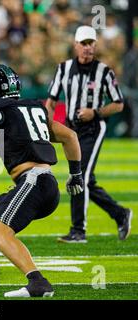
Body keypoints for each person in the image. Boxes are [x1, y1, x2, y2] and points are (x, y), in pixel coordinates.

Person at [0, 64, 83, 298]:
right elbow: (70, 136)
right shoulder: (33, 108)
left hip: (33, 181)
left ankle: (38, 282)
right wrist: (75, 174)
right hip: (42, 183)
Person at [46, 25, 133, 243]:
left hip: (94, 128)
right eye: (83, 43)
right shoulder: (63, 68)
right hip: (72, 130)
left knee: (80, 177)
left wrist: (94, 112)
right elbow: (51, 101)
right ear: (75, 45)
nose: (88, 48)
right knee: (86, 180)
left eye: (91, 43)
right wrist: (46, 126)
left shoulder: (104, 71)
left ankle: (78, 230)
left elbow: (118, 104)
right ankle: (120, 213)